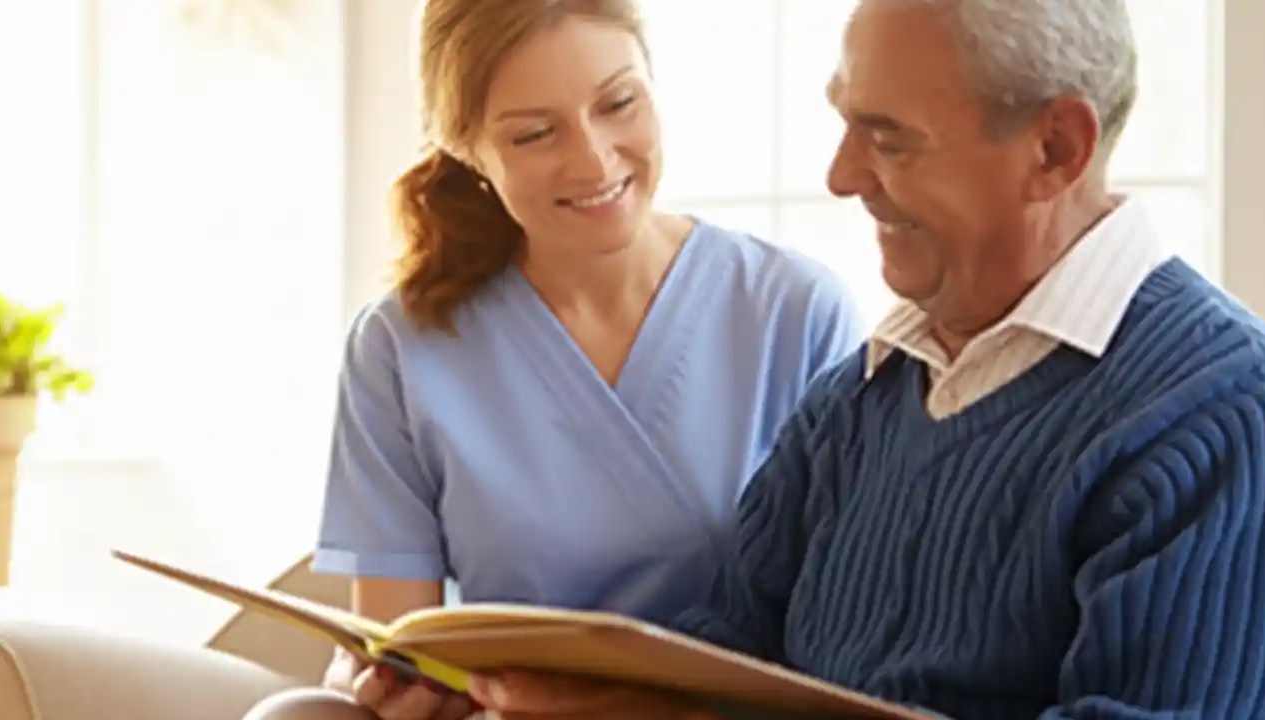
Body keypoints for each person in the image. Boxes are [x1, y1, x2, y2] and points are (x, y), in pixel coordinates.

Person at [465, 0, 1265, 718]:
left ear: (1055, 149)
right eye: (847, 123)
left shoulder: (1223, 413)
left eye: (888, 139)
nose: (842, 174)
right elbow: (722, 657)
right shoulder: (855, 401)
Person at [243, 0, 864, 719]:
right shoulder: (401, 349)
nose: (594, 159)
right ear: (467, 148)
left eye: (619, 103)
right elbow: (397, 639)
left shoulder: (794, 311)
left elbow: (844, 637)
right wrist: (396, 690)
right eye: (535, 134)